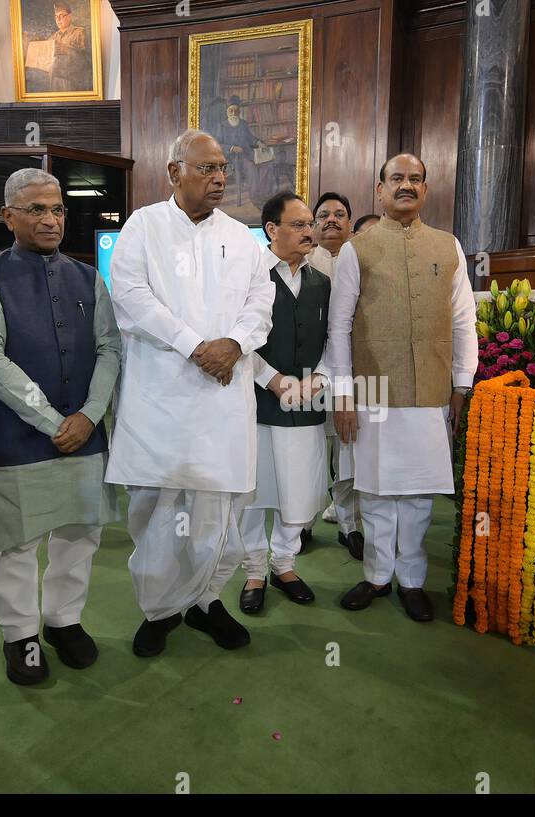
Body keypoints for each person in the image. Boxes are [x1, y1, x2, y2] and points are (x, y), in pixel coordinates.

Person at [106, 129, 274, 656]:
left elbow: (260, 305)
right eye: (207, 168)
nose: (220, 177)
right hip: (161, 398)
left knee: (215, 509)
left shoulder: (242, 237)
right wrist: (194, 345)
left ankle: (205, 600)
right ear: (174, 172)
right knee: (155, 508)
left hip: (224, 396)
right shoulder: (144, 226)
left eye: (224, 167)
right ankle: (159, 610)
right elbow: (130, 295)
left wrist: (234, 344)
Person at [0, 168, 121, 685]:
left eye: (57, 210)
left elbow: (109, 350)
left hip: (84, 433)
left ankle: (63, 621)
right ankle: (20, 636)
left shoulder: (88, 277)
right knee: (17, 543)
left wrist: (89, 415)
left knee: (80, 533)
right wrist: (55, 422)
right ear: (8, 217)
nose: (51, 219)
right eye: (37, 210)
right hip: (17, 437)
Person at [328, 153, 477, 622]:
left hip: (431, 388)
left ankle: (411, 580)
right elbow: (338, 328)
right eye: (397, 179)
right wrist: (343, 395)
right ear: (380, 190)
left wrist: (462, 384)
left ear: (426, 191)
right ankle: (376, 575)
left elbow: (464, 321)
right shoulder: (358, 248)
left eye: (415, 179)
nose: (406, 186)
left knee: (416, 492)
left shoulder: (448, 246)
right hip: (371, 388)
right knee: (374, 489)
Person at [238, 192, 330, 614]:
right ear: (272, 230)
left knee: (298, 488)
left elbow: (335, 339)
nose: (309, 231)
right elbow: (236, 338)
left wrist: (320, 379)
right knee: (256, 491)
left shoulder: (321, 282)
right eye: (298, 224)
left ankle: (285, 564)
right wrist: (272, 380)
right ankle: (255, 570)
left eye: (310, 223)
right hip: (256, 401)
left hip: (307, 402)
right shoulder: (249, 275)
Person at [308, 192, 364, 560]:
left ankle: (350, 526)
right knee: (308, 452)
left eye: (340, 214)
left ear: (349, 223)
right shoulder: (299, 261)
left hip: (351, 373)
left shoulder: (361, 258)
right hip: (306, 376)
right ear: (313, 225)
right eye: (324, 214)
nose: (331, 220)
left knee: (347, 452)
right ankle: (301, 525)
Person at [50, 2, 91, 93]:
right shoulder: (53, 37)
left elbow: (86, 60)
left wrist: (66, 50)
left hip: (72, 79)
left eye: (61, 16)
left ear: (70, 16)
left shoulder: (79, 33)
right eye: (56, 17)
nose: (58, 20)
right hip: (55, 79)